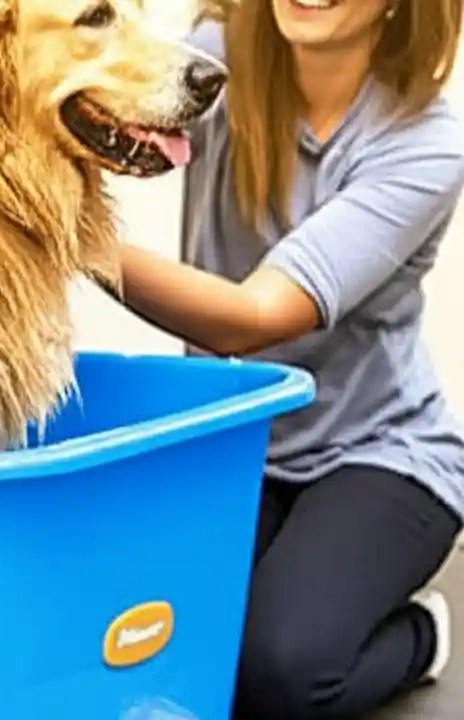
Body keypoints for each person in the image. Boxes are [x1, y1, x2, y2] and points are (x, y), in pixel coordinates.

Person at [107, 0, 464, 717]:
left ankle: (423, 635)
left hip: (379, 456)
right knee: (152, 642)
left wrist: (73, 239)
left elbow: (254, 319)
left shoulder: (426, 144)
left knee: (279, 675)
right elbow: (105, 108)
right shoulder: (218, 56)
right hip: (240, 446)